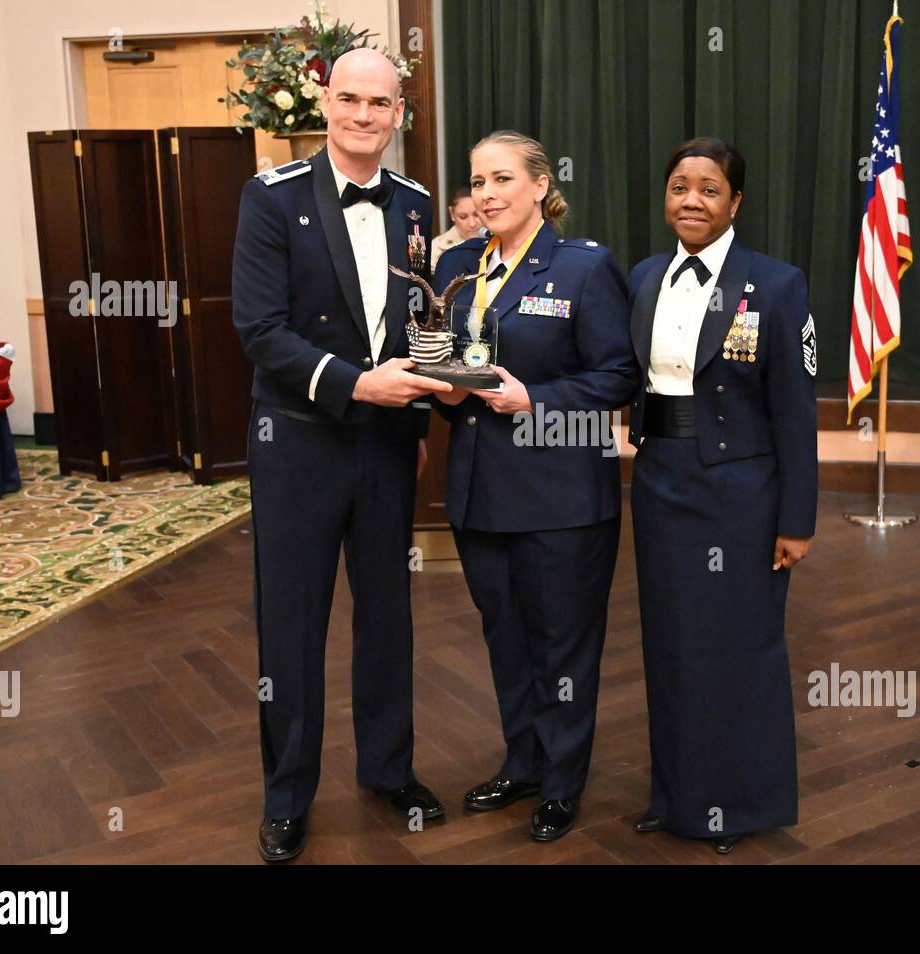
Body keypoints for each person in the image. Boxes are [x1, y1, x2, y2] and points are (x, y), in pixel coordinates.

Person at [231, 48, 454, 863]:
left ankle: (389, 768)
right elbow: (259, 331)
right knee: (291, 624)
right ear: (326, 101)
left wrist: (439, 389)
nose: (364, 116)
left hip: (390, 445)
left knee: (388, 616)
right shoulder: (270, 196)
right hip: (298, 442)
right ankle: (287, 796)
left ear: (401, 113)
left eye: (380, 104)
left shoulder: (419, 204)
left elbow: (423, 323)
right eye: (350, 100)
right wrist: (360, 386)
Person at [432, 130, 638, 842]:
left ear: (539, 187)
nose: (485, 194)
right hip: (478, 489)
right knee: (506, 638)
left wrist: (536, 400)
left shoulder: (584, 267)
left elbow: (618, 376)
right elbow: (448, 359)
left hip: (560, 494)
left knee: (562, 644)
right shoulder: (459, 266)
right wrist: (444, 390)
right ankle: (521, 760)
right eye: (476, 182)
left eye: (500, 180)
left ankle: (561, 781)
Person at [627, 137, 817, 854]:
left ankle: (737, 806)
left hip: (740, 494)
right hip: (660, 485)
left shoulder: (775, 284)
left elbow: (796, 414)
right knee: (671, 647)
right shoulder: (645, 275)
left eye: (709, 189)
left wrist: (797, 519)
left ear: (735, 202)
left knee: (738, 651)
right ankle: (674, 798)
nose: (692, 201)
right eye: (679, 186)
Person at [430, 184, 484, 269]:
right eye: (463, 217)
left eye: (476, 215)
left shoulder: (499, 242)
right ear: (452, 213)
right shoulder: (436, 248)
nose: (472, 224)